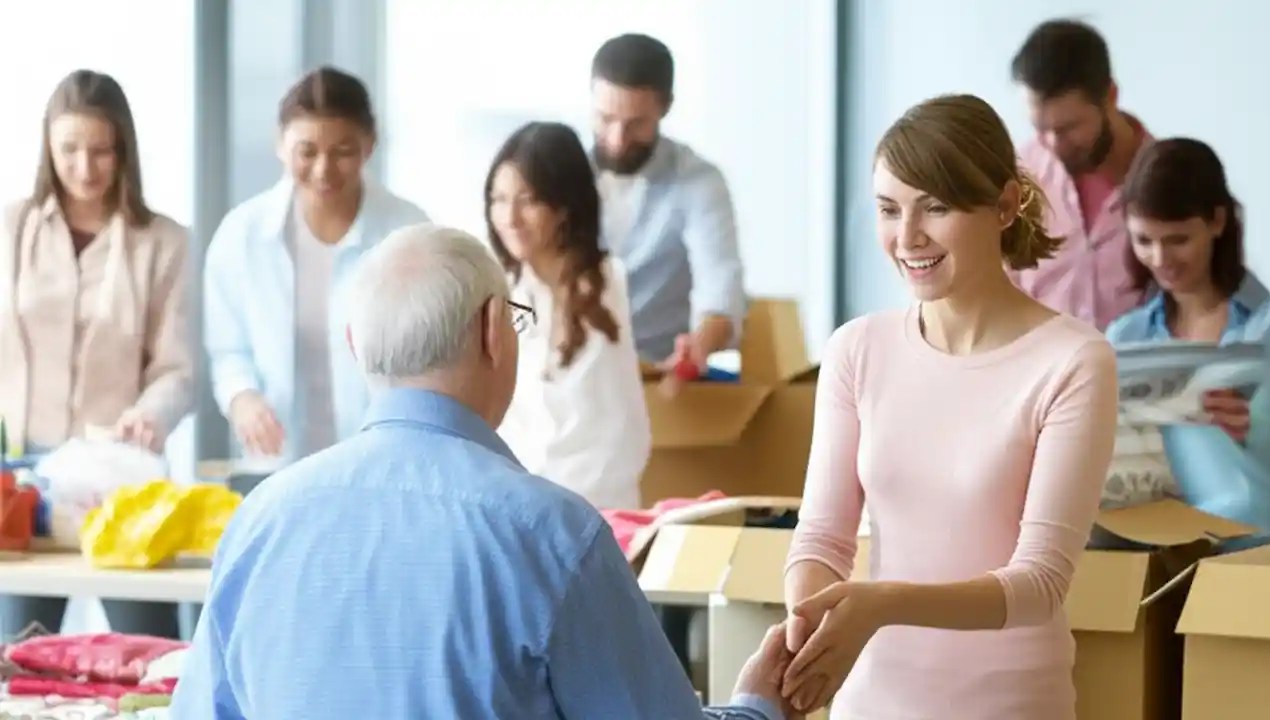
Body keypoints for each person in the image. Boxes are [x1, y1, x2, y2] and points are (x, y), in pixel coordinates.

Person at [171, 224, 795, 720]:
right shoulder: (551, 534)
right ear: (495, 331)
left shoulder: (261, 520)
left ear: (354, 344)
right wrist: (758, 709)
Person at [780, 95, 1119, 718]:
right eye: (889, 209)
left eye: (935, 207)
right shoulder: (858, 349)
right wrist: (806, 631)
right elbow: (822, 540)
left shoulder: (1073, 361)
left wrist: (881, 603)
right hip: (870, 702)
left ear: (1005, 205)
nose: (907, 238)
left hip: (1010, 704)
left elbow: (1039, 583)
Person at [0, 70, 192, 638]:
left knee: (149, 646)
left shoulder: (165, 243)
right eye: (70, 150)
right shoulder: (11, 228)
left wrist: (151, 414)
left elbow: (177, 368)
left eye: (102, 151)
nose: (86, 168)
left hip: (118, 476)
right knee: (19, 650)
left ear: (124, 150)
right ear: (48, 148)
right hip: (21, 479)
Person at [203, 66, 428, 465]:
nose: (324, 170)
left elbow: (428, 353)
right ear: (280, 145)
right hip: (277, 463)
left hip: (382, 458)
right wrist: (243, 397)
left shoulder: (408, 232)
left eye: (343, 152)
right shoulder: (242, 236)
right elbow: (228, 350)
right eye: (307, 151)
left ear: (369, 145)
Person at [1106, 138, 1270, 540]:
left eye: (1178, 240)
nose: (1160, 259)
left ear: (1217, 222)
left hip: (1262, 553)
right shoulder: (1125, 337)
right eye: (1144, 241)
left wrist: (1259, 429)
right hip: (1156, 556)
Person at [487, 121, 650, 510]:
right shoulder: (500, 288)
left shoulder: (604, 285)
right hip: (517, 502)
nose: (510, 217)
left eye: (527, 200)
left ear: (562, 207)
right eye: (498, 199)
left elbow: (611, 432)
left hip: (594, 505)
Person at [590, 33, 747, 380]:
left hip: (659, 376)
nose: (617, 140)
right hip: (571, 377)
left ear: (665, 107)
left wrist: (701, 343)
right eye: (605, 119)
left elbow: (719, 286)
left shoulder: (699, 183)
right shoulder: (561, 174)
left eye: (635, 124)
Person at [1010, 18, 1155, 330]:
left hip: (1140, 374)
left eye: (1068, 128)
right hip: (1043, 374)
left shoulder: (1173, 179)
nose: (1052, 144)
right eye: (1040, 129)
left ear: (1111, 96)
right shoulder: (1016, 176)